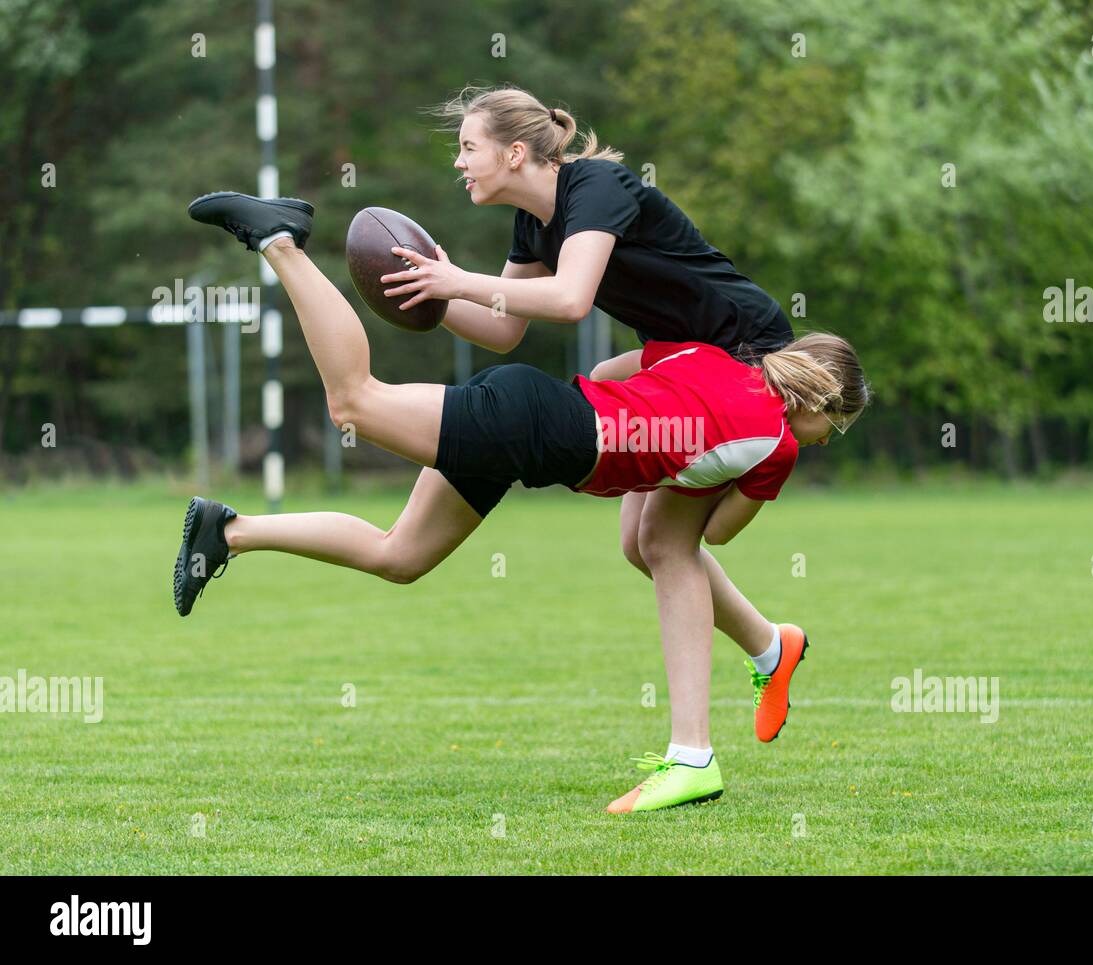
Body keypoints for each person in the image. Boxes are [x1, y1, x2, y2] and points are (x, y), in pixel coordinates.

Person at [181, 190, 868, 811]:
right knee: (353, 399)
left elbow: (608, 374)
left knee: (402, 554)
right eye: (832, 428)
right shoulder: (776, 448)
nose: (823, 441)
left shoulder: (710, 359)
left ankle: (230, 531)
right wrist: (693, 460)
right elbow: (716, 536)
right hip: (529, 433)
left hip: (539, 413)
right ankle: (281, 242)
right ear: (821, 404)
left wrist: (665, 434)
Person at [380, 85, 815, 768]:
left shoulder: (598, 187)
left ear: (515, 151)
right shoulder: (535, 221)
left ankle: (693, 753)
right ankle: (770, 647)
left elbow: (570, 298)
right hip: (678, 365)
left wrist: (456, 280)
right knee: (643, 546)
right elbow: (501, 328)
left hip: (737, 360)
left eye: (468, 148)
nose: (459, 164)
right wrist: (422, 292)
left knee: (663, 545)